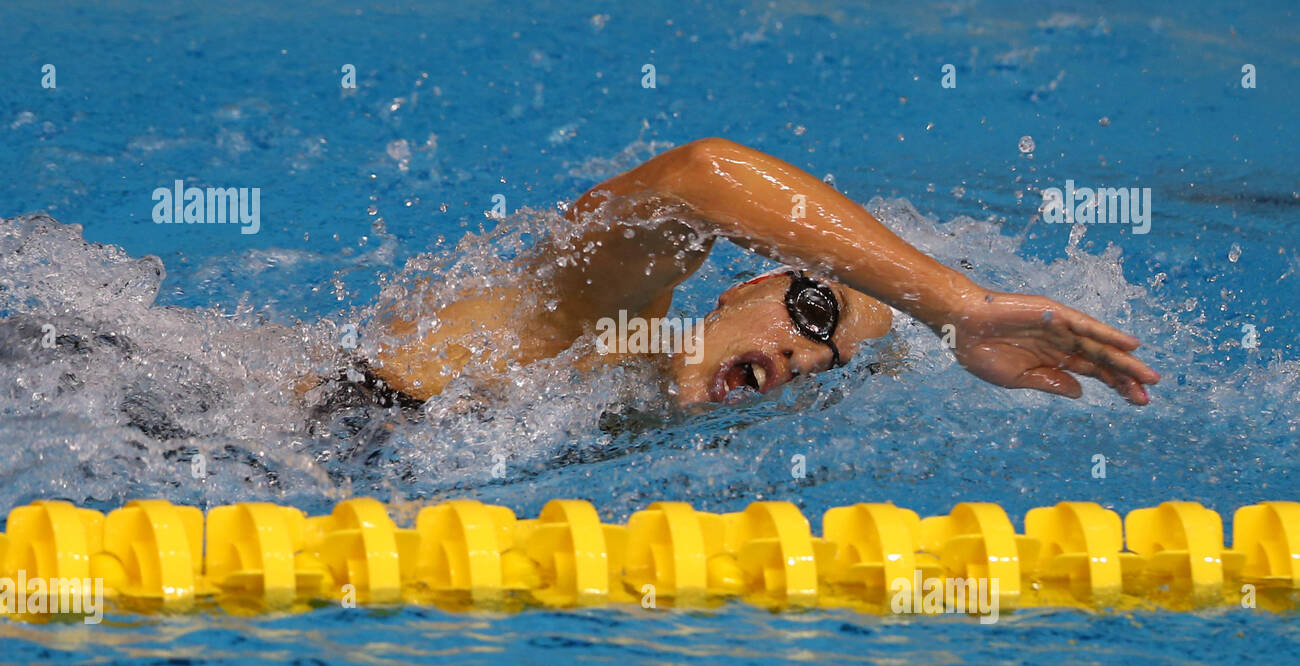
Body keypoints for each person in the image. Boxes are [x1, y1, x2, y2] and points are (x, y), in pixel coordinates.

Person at [365, 138, 1159, 408]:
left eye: (827, 363)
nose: (808, 356)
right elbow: (702, 174)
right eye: (815, 315)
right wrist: (958, 307)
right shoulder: (604, 319)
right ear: (746, 284)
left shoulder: (649, 423)